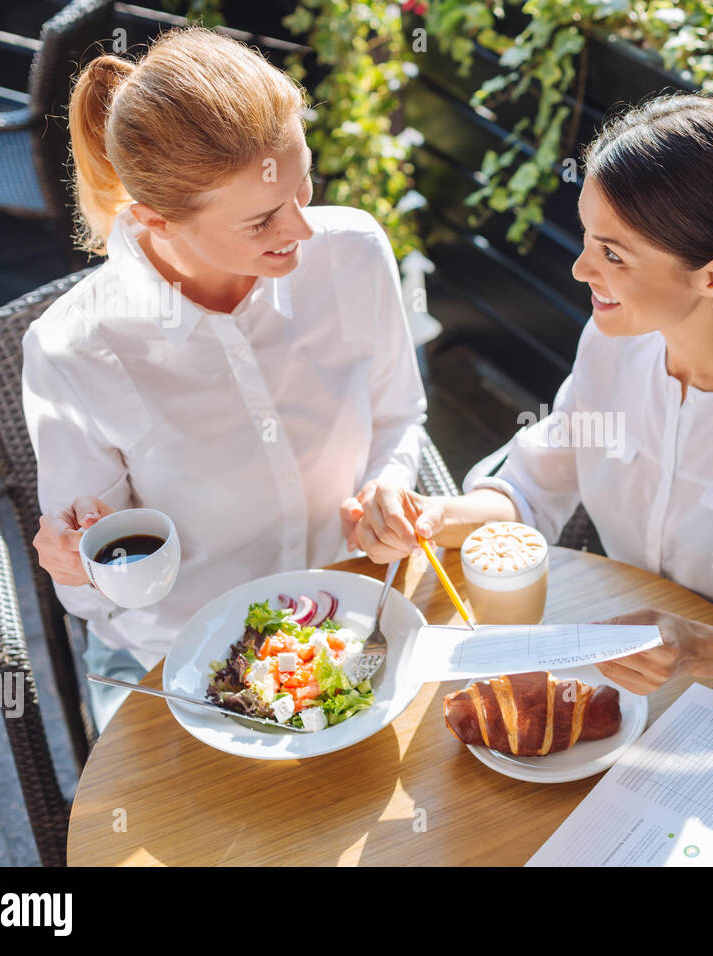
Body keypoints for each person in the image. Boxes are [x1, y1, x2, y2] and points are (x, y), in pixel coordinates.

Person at [350, 93, 713, 769]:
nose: (581, 270)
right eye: (588, 239)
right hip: (625, 682)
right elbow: (533, 486)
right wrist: (432, 515)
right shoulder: (616, 341)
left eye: (612, 254)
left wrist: (698, 648)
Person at [26, 26, 427, 731]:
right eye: (264, 218)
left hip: (355, 610)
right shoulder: (75, 351)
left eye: (303, 185)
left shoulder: (355, 253)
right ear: (157, 220)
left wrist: (389, 485)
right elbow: (103, 592)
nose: (303, 230)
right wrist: (73, 566)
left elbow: (399, 417)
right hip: (175, 665)